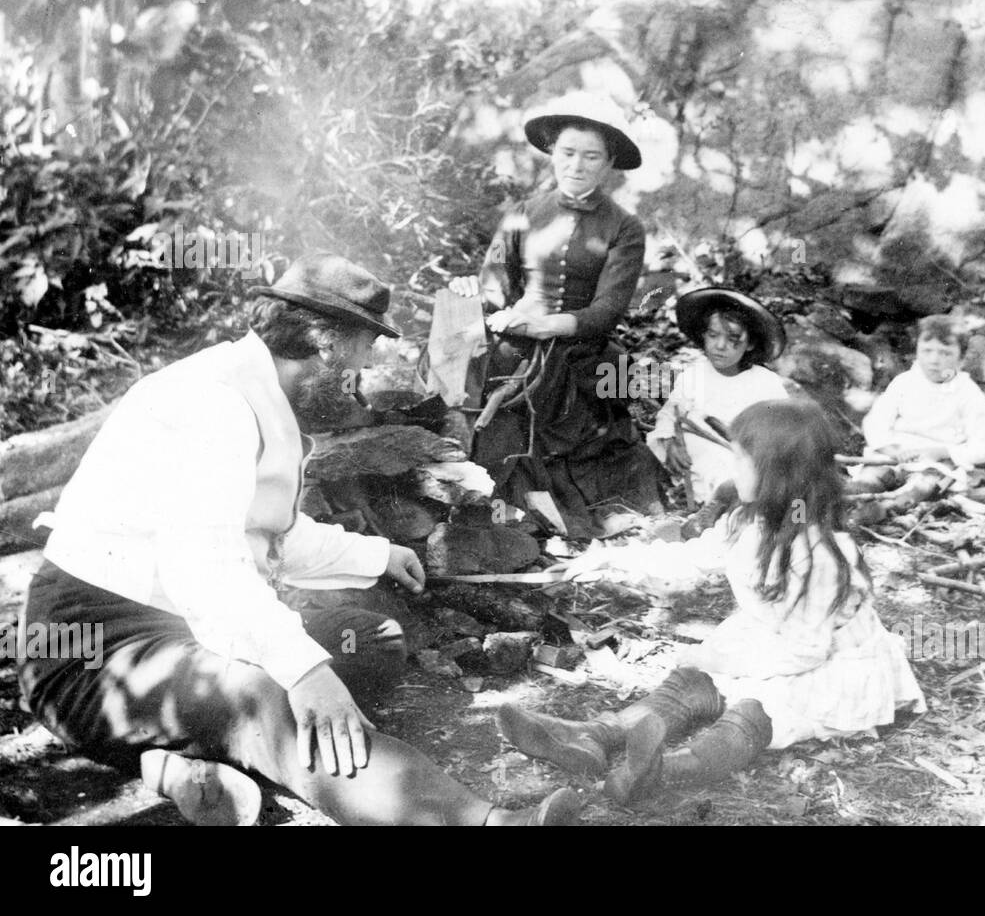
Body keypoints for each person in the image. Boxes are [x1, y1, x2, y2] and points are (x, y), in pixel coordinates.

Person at [19, 254, 581, 826]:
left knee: (372, 641)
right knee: (267, 692)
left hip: (180, 629)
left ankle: (176, 762)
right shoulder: (210, 401)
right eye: (365, 346)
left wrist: (376, 554)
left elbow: (268, 534)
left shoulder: (261, 389)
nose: (365, 366)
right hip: (88, 649)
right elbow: (206, 571)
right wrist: (304, 673)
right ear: (324, 341)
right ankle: (483, 822)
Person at [496, 398, 926, 804]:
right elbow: (693, 559)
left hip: (825, 664)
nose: (730, 467)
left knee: (755, 711)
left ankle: (664, 771)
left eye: (741, 458)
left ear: (780, 472)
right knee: (689, 680)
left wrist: (724, 661)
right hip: (771, 640)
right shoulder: (747, 519)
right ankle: (592, 736)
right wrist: (606, 560)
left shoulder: (820, 554)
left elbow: (805, 651)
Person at [448, 91, 661, 536]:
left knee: (594, 387)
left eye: (590, 157)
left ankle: (573, 508)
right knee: (480, 366)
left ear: (607, 164)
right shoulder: (525, 212)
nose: (576, 165)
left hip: (583, 347)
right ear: (552, 154)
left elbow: (607, 310)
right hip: (519, 336)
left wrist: (547, 326)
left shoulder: (624, 227)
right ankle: (485, 500)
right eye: (567, 153)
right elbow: (494, 286)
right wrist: (475, 294)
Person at [647, 287, 788, 504]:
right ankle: (722, 497)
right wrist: (669, 441)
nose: (720, 346)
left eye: (733, 339)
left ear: (750, 343)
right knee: (703, 450)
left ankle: (735, 497)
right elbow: (670, 414)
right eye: (713, 335)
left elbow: (783, 428)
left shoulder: (766, 382)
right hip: (704, 456)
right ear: (703, 334)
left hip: (747, 456)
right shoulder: (693, 376)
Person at [852, 314, 985, 515]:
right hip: (895, 456)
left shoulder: (967, 393)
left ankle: (885, 508)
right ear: (917, 350)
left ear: (961, 359)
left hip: (934, 464)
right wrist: (892, 450)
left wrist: (942, 451)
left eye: (945, 353)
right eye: (926, 351)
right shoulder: (905, 382)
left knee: (921, 487)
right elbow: (875, 423)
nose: (934, 360)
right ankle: (849, 501)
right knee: (869, 480)